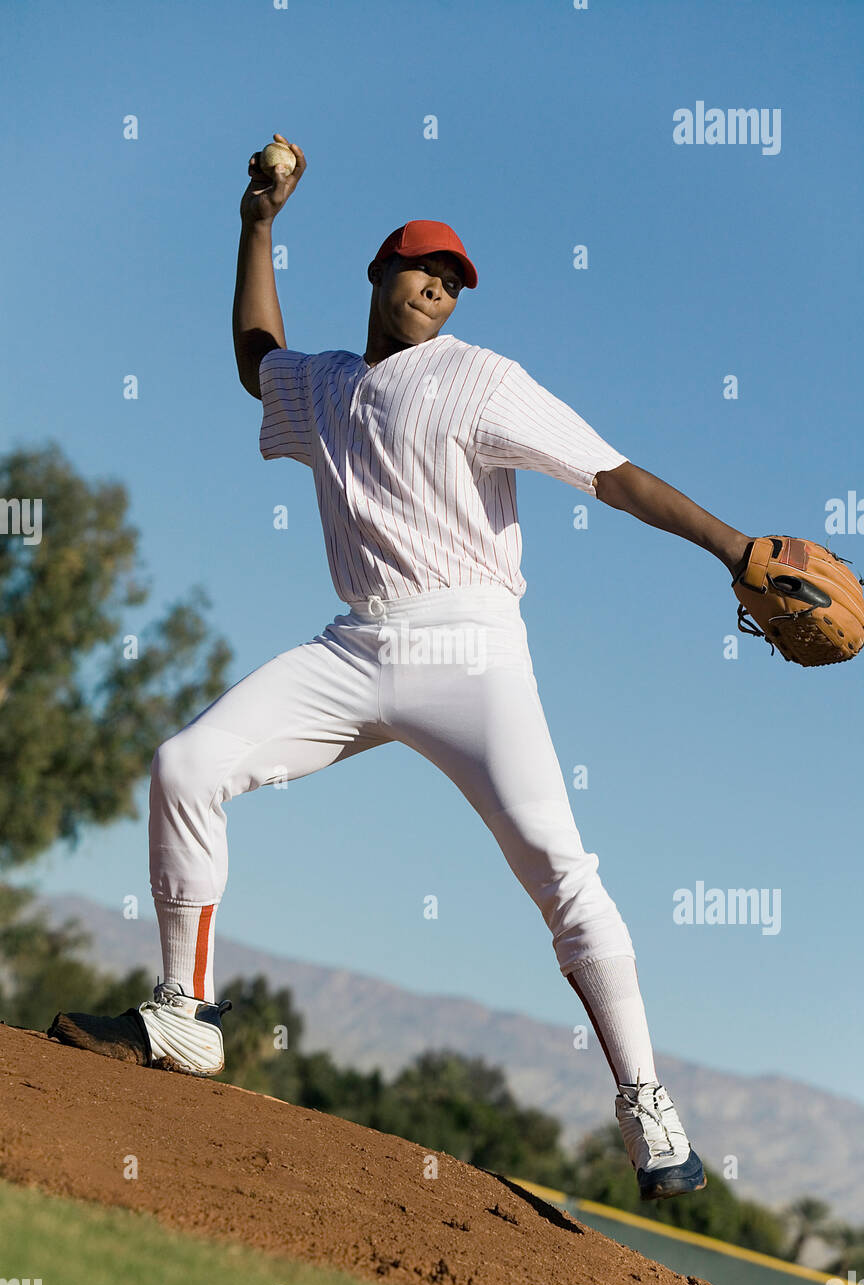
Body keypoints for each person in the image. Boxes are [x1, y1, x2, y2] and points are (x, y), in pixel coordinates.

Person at [50, 135, 753, 1202]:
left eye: (455, 281)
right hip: (357, 643)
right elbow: (254, 359)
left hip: (472, 648)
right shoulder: (329, 386)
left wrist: (737, 550)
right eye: (424, 268)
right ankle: (183, 1016)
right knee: (186, 765)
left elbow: (609, 474)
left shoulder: (479, 378)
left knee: (560, 870)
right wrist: (256, 222)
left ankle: (648, 1108)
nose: (439, 287)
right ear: (378, 276)